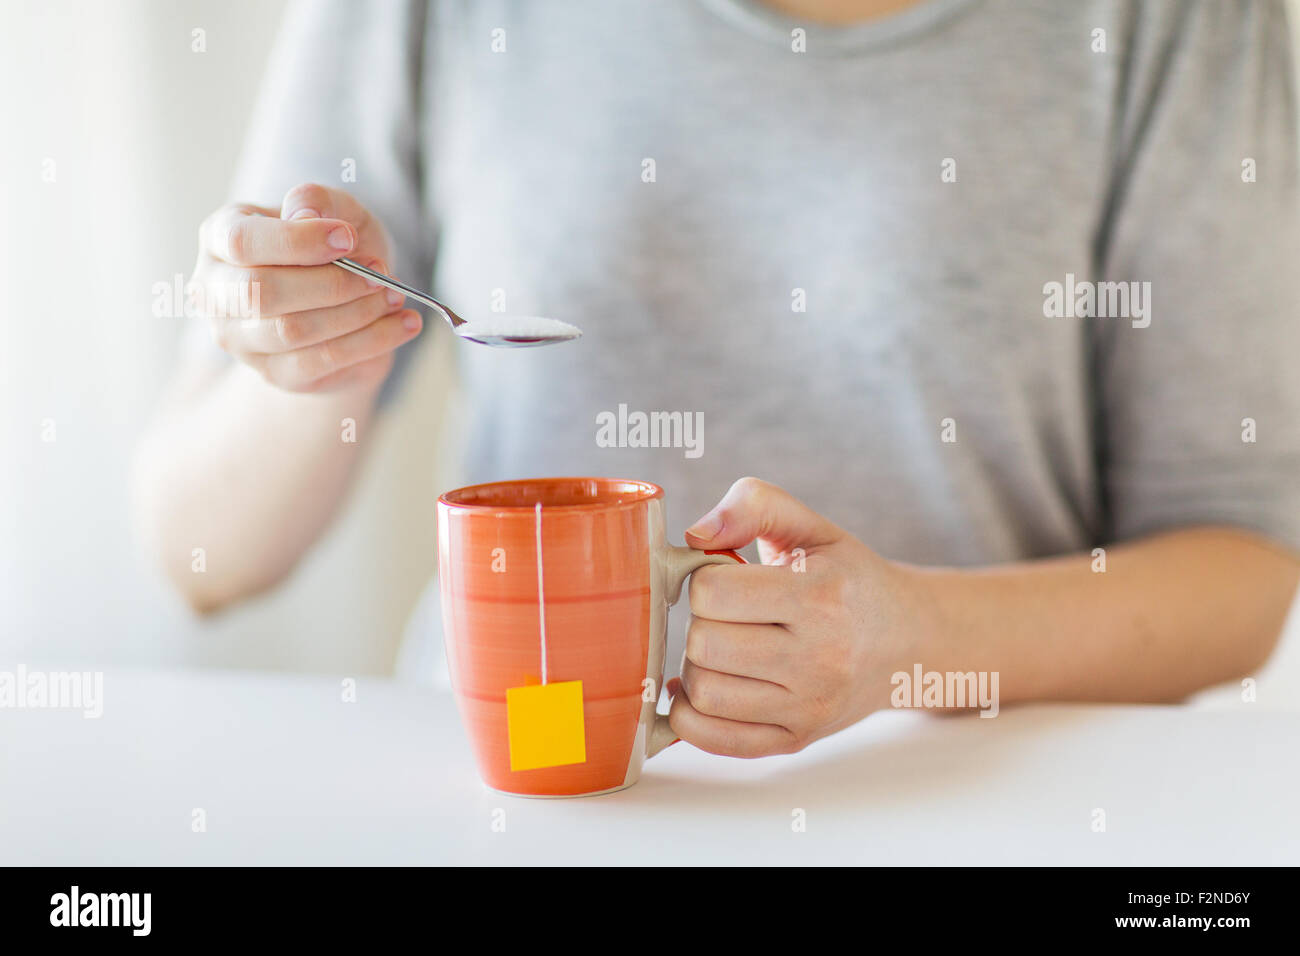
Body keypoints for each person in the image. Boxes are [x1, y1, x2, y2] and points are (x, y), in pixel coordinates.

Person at [134, 0, 1300, 757]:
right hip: (531, 782)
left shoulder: (1173, 21)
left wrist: (911, 640)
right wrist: (320, 359)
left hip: (973, 798)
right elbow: (200, 553)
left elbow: (1240, 570)